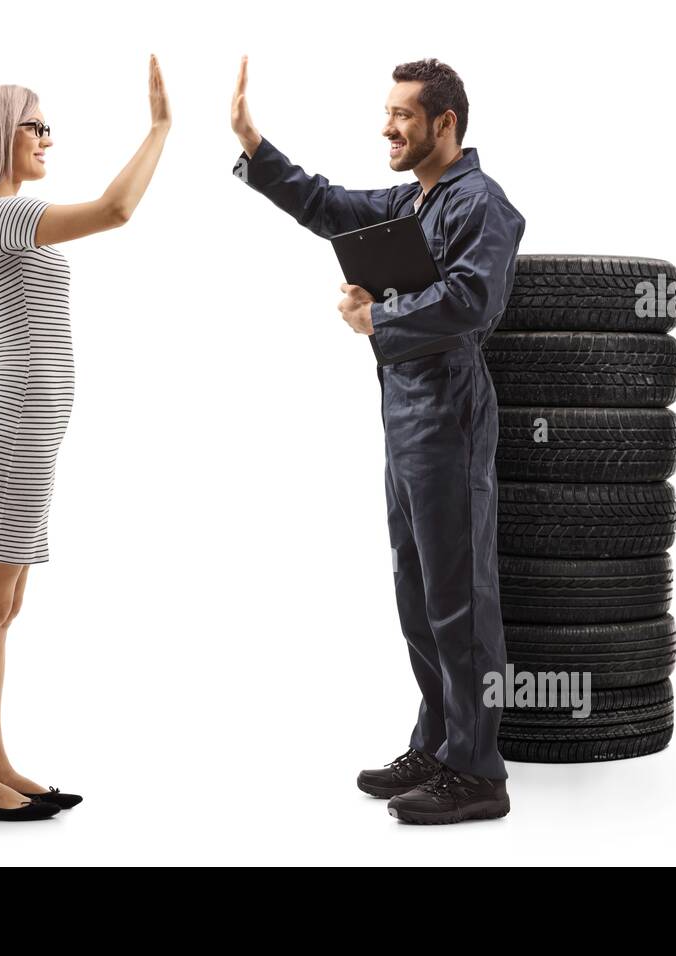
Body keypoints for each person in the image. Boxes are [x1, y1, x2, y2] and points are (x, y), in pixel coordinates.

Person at [230, 55, 525, 824]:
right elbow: (327, 204)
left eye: (402, 114)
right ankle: (438, 742)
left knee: (460, 593)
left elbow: (471, 301)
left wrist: (379, 317)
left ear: (444, 123)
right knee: (418, 589)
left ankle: (478, 770)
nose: (387, 127)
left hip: (451, 410)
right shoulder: (410, 200)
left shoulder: (482, 204)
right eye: (388, 113)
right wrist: (255, 148)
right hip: (403, 409)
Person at [0, 56, 171, 821]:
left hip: (27, 431)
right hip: (10, 429)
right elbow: (115, 210)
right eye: (32, 124)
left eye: (47, 124)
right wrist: (161, 128)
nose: (45, 136)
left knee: (2, 609)